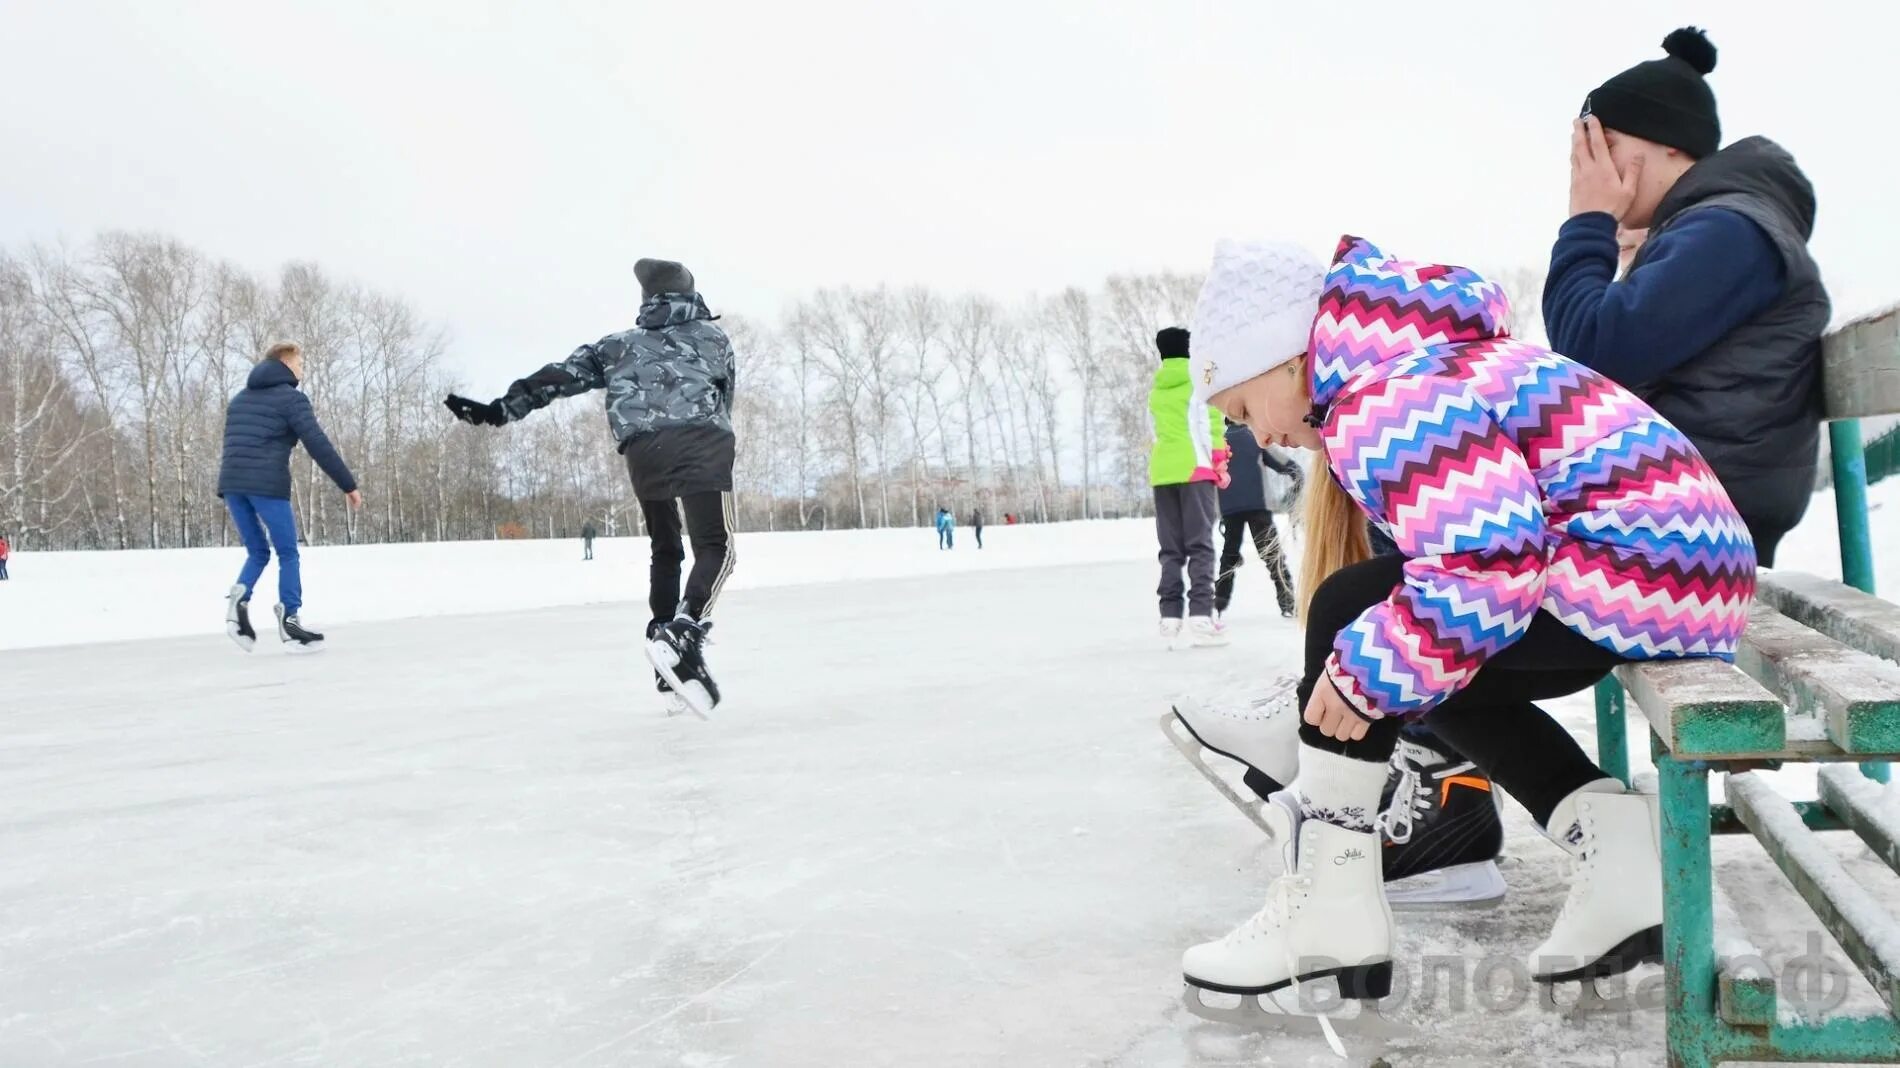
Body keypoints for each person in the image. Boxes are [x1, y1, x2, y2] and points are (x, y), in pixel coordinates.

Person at [1174, 236, 1754, 1011]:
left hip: (1636, 565)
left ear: (1285, 358)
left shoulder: (1383, 398)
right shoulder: (1416, 364)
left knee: (1359, 614)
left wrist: (1363, 671)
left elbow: (1493, 558)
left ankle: (1328, 915)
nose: (1256, 436)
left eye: (1243, 409)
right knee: (1431, 666)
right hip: (1666, 568)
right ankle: (1618, 857)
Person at [1545, 26, 1827, 566]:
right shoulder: (1709, 230)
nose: (1590, 171)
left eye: (1604, 147)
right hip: (1671, 518)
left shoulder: (1730, 232)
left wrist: (1588, 220)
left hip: (1688, 541)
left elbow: (1590, 355)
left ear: (1668, 140)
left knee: (1361, 594)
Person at [445, 258, 736, 716]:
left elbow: (558, 377)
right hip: (701, 444)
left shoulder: (619, 345)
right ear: (691, 296)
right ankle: (682, 635)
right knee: (716, 548)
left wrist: (501, 409)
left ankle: (665, 666)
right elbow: (726, 397)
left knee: (666, 548)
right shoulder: (712, 338)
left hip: (645, 452)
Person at [216, 341, 362, 651]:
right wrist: (348, 484)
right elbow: (317, 443)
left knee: (257, 551)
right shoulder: (291, 399)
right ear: (284, 363)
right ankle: (290, 620)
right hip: (266, 485)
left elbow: (233, 444)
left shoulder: (240, 399)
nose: (302, 369)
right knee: (288, 552)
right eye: (299, 363)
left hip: (231, 484)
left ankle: (238, 601)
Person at [1149, 326, 1229, 647]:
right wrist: (1219, 461)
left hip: (1162, 471)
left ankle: (1169, 617)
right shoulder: (1198, 382)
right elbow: (1210, 423)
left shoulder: (1156, 390)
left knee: (1171, 548)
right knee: (1200, 545)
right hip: (1195, 467)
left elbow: (1154, 432)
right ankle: (1200, 614)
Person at [1214, 418, 1299, 619]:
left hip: (1230, 507)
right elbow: (1287, 466)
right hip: (1258, 505)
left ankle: (1220, 601)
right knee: (1272, 555)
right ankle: (1287, 602)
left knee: (1229, 556)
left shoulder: (1219, 442)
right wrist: (1296, 482)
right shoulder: (1255, 438)